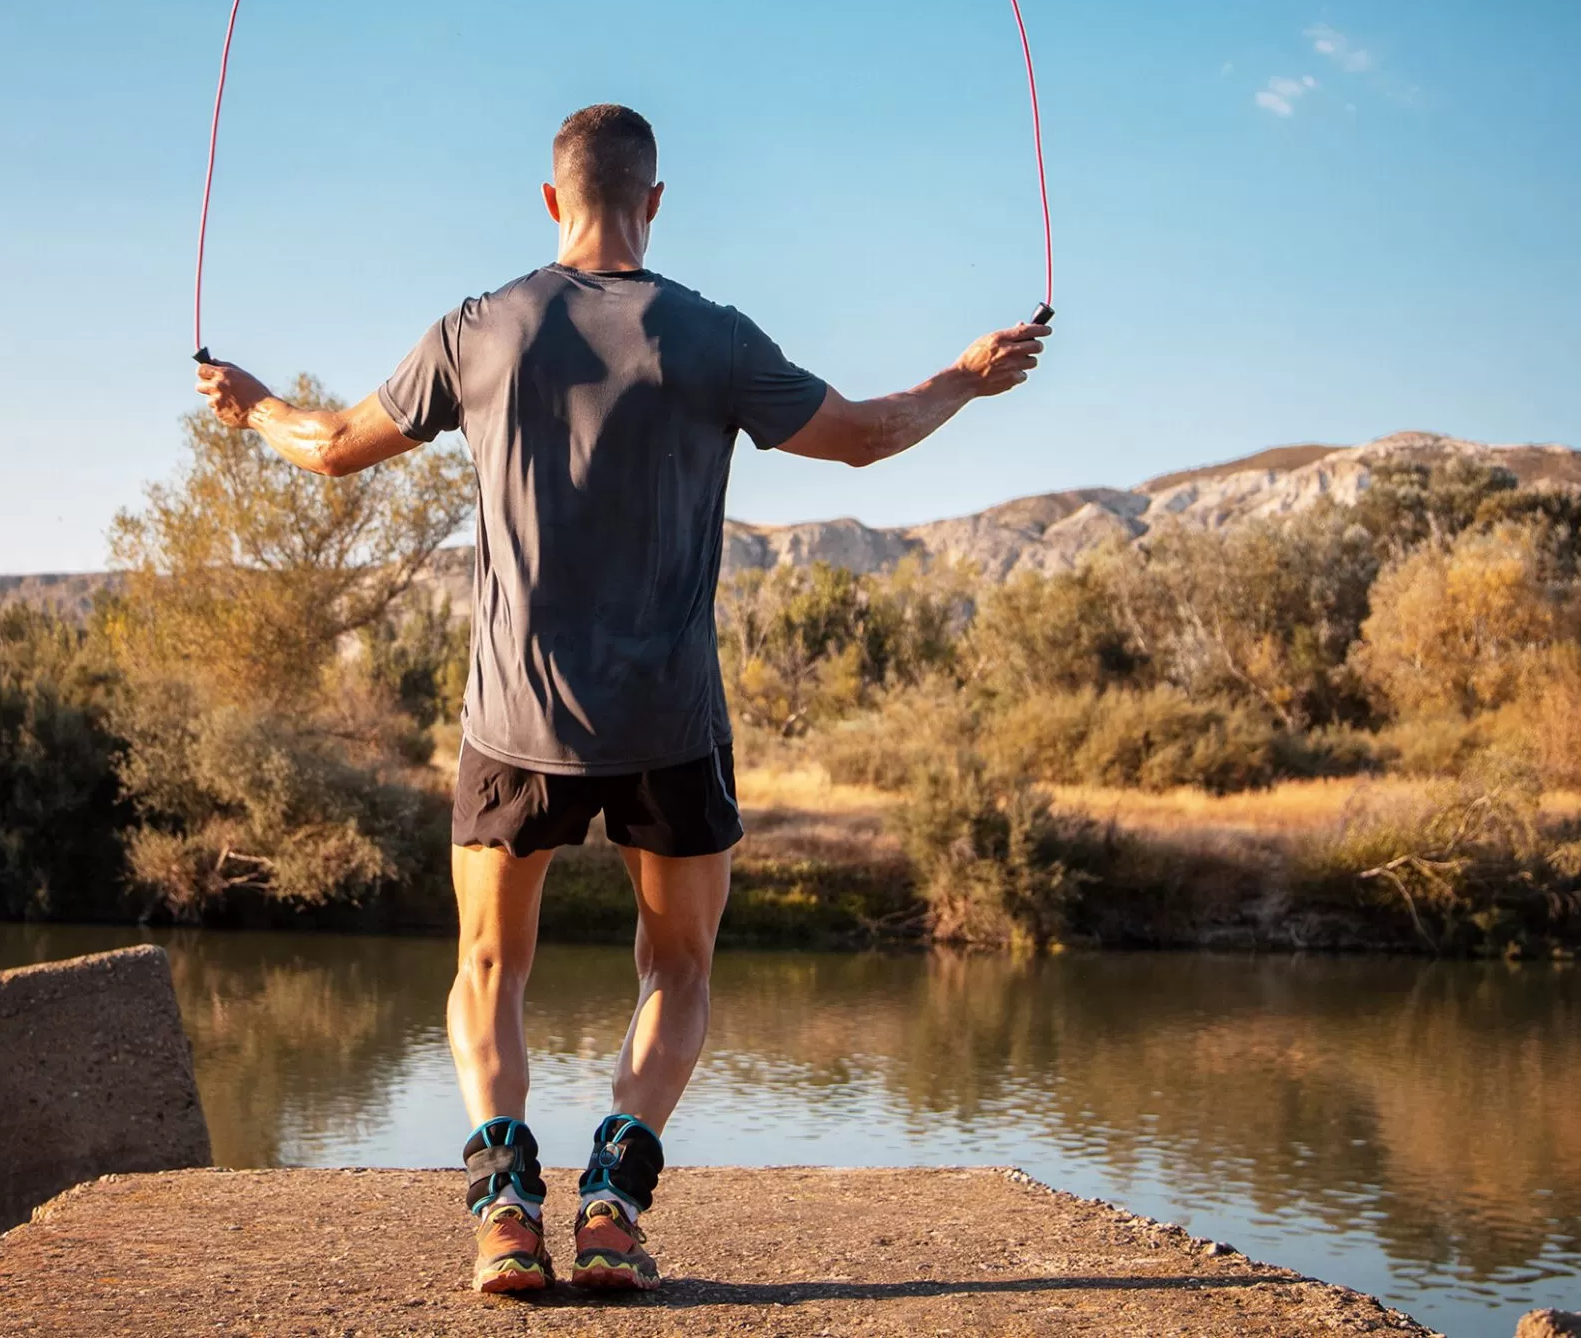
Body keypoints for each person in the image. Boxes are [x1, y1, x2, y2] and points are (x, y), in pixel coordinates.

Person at [192, 103, 1050, 1295]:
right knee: (681, 972)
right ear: (653, 202)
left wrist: (250, 409)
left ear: (552, 200)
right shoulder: (712, 337)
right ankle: (609, 1199)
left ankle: (504, 1209)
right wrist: (964, 377)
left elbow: (332, 444)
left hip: (512, 722)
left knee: (489, 971)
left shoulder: (477, 328)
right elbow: (863, 436)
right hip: (667, 723)